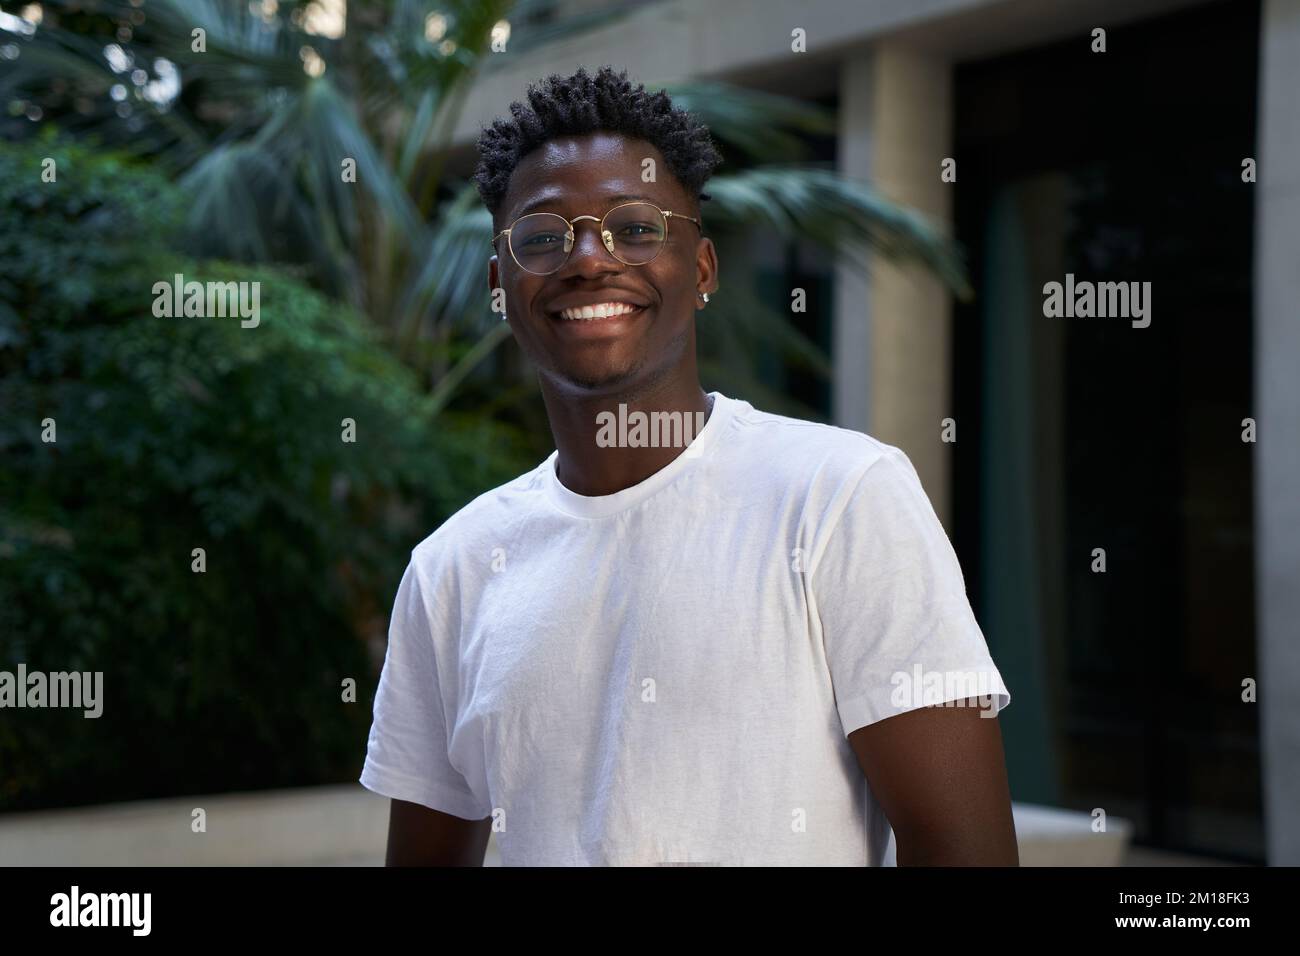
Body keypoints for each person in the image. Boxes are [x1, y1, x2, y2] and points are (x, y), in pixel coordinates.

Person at [360, 65, 1017, 866]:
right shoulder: (451, 571)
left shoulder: (841, 499)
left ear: (701, 269)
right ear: (502, 286)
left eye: (635, 228)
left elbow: (965, 851)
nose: (590, 259)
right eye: (542, 237)